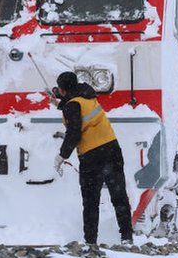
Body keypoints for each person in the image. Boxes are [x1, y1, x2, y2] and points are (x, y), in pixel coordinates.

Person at [53, 71, 134, 245]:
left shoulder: (72, 105)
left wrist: (62, 155)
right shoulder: (88, 96)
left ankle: (90, 241)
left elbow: (74, 132)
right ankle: (127, 237)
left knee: (91, 201)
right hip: (112, 149)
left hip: (92, 155)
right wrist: (61, 104)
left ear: (62, 89)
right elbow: (76, 106)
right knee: (119, 195)